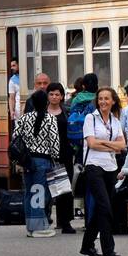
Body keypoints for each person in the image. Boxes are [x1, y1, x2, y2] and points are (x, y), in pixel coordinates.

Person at [80, 87, 125, 256]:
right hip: (93, 165)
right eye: (100, 99)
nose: (103, 102)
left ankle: (87, 245)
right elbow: (91, 144)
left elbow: (122, 145)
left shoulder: (115, 121)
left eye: (107, 98)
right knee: (105, 206)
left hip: (110, 167)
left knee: (102, 207)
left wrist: (106, 143)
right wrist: (112, 144)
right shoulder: (90, 118)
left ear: (113, 101)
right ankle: (108, 249)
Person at [13, 89, 61, 238]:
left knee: (29, 193)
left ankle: (30, 226)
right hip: (43, 161)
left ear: (32, 103)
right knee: (39, 192)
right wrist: (55, 158)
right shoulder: (50, 119)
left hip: (27, 161)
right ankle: (39, 227)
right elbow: (54, 143)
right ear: (46, 102)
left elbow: (15, 137)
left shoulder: (24, 118)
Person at [46, 82, 77, 234]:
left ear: (62, 96)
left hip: (65, 153)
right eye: (51, 94)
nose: (54, 97)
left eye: (57, 94)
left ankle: (65, 222)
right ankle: (45, 219)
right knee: (49, 188)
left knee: (65, 188)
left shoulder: (67, 111)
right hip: (47, 154)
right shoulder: (42, 112)